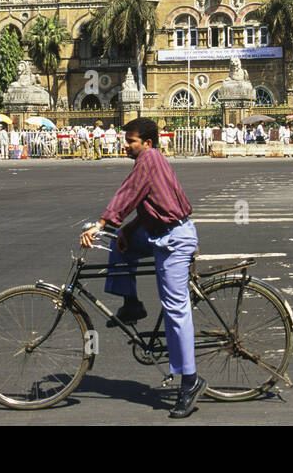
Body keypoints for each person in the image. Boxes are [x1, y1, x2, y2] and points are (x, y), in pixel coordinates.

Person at [79, 118, 204, 419]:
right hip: (160, 233)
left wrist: (102, 223)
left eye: (131, 140)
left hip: (174, 241)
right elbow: (149, 202)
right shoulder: (153, 161)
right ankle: (131, 303)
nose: (126, 145)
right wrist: (123, 229)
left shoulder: (148, 158)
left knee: (175, 310)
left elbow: (129, 193)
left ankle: (190, 381)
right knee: (120, 242)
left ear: (147, 142)